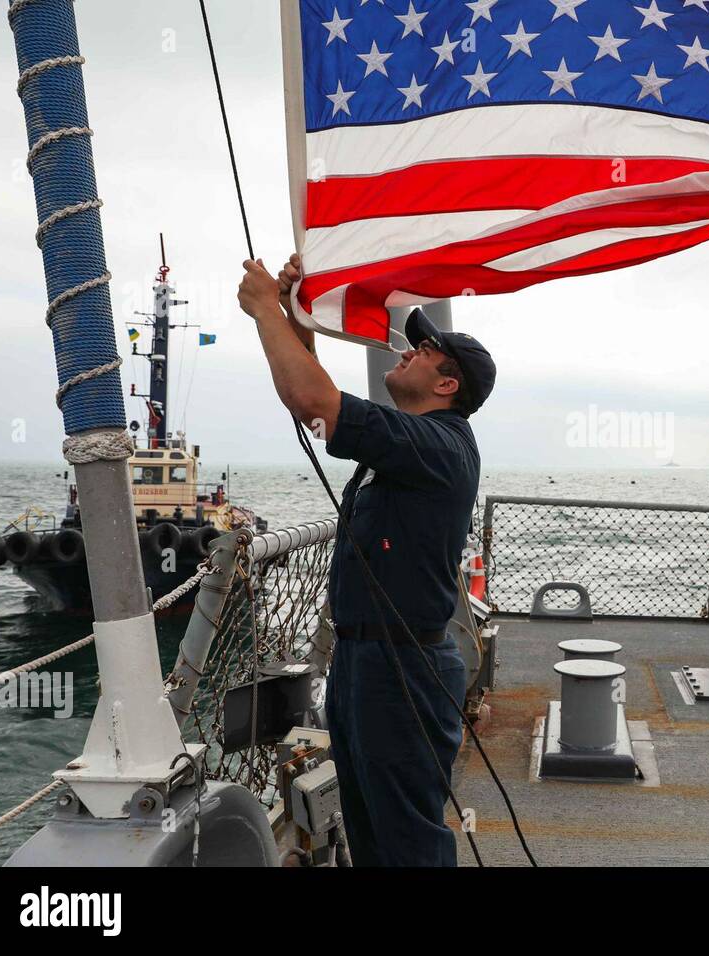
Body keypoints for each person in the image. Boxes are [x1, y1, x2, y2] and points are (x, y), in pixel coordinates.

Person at [237, 255, 496, 866]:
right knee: (368, 827)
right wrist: (295, 311)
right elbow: (315, 400)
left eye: (422, 351)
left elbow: (313, 399)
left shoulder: (439, 445)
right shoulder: (408, 443)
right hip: (363, 661)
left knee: (407, 838)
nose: (404, 353)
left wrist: (263, 311)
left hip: (404, 670)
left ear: (447, 384)